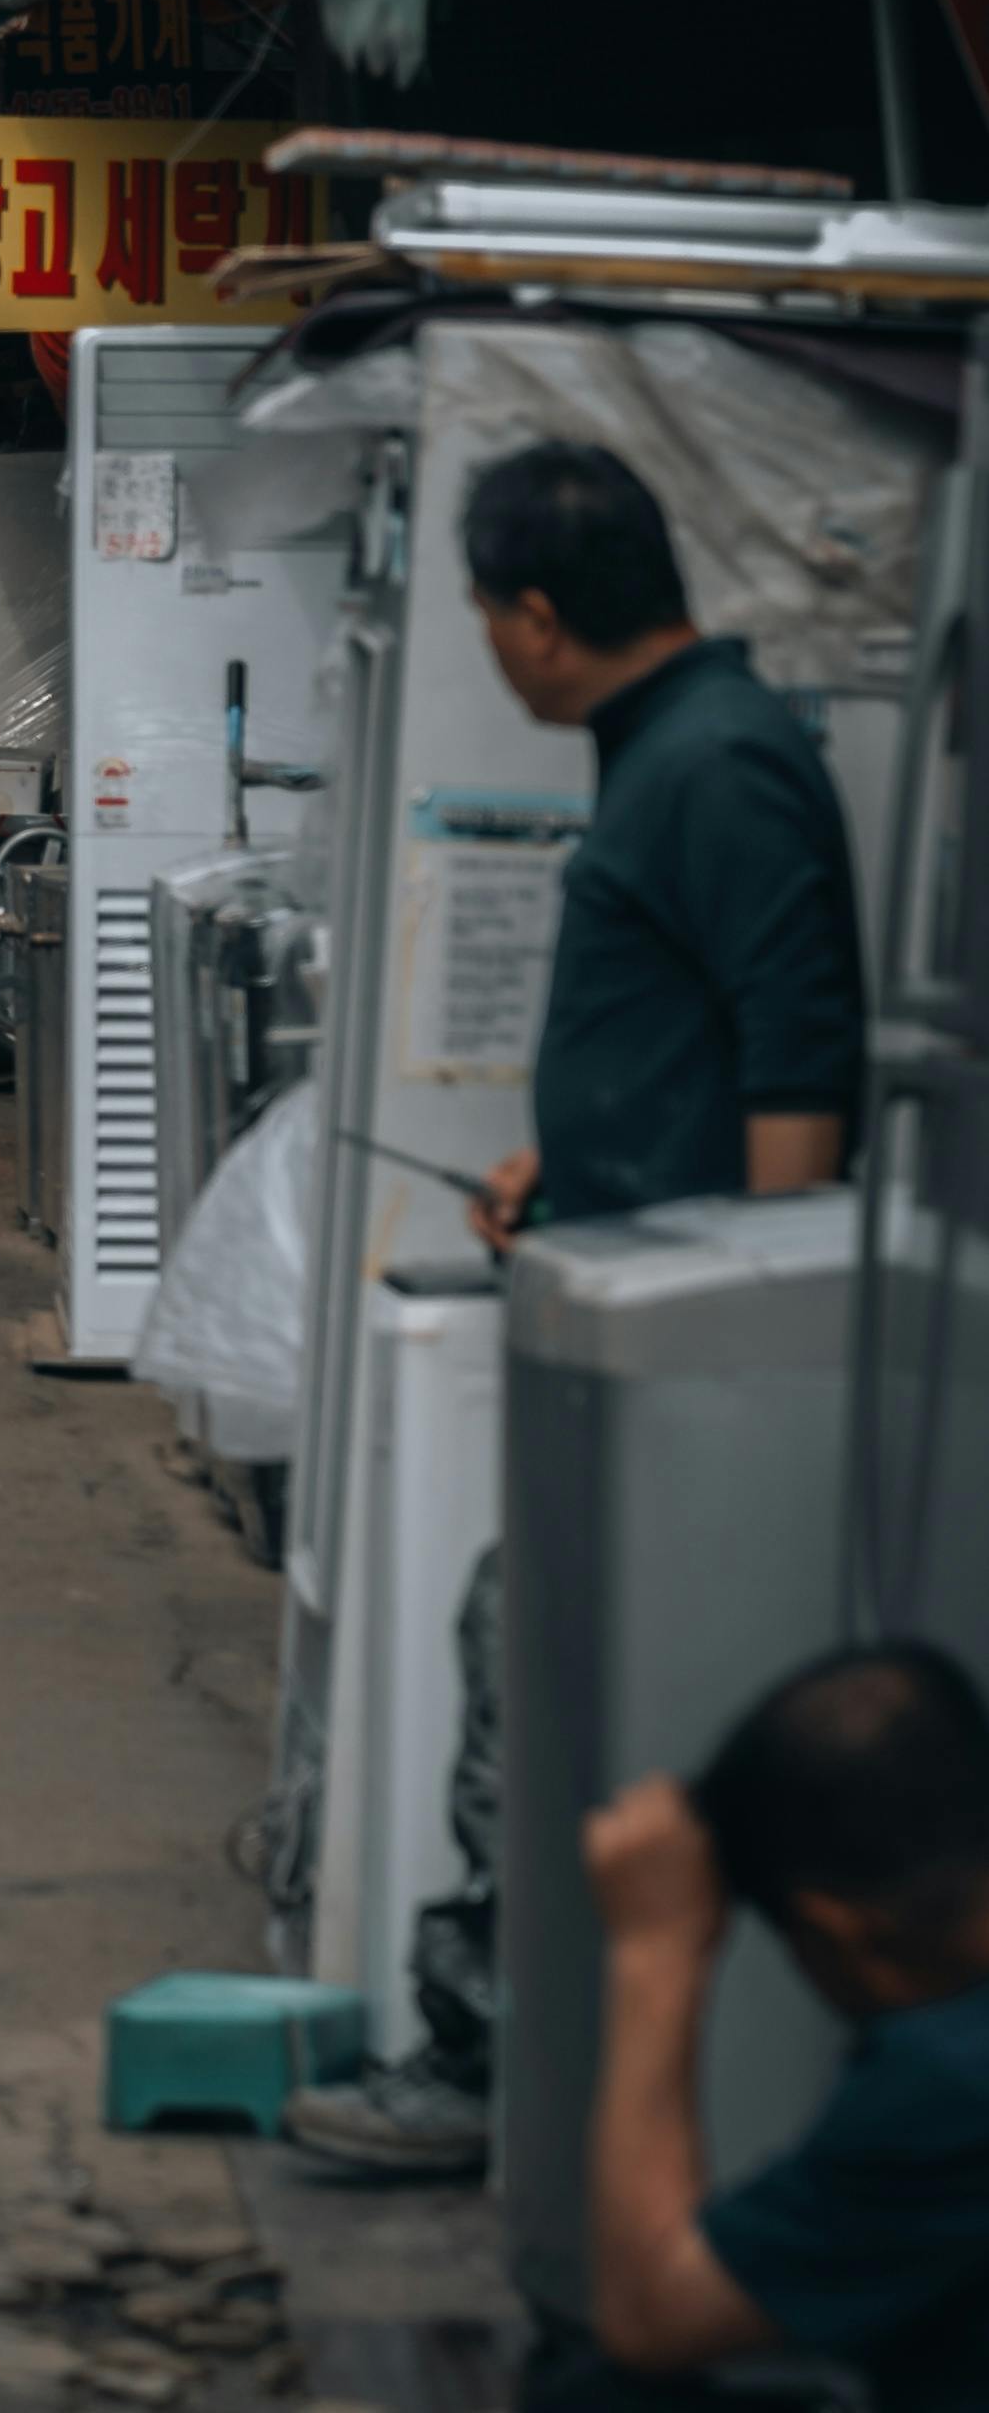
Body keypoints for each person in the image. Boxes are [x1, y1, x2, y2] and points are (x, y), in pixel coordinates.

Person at [286, 441, 866, 2186]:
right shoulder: (670, 751)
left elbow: (794, 1064)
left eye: (482, 616)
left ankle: (482, 2057)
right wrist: (573, 1148)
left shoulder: (716, 766)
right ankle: (528, 2054)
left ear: (537, 619)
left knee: (516, 1655)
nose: (483, 648)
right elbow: (693, 1030)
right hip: (622, 1307)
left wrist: (753, 1335)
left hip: (691, 1356)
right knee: (534, 1658)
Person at [571, 1640, 989, 2409]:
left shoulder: (946, 2082)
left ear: (838, 1934)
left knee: (599, 2398)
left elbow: (646, 2317)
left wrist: (653, 1951)